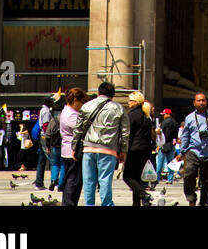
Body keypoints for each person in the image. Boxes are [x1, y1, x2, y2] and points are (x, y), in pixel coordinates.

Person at [73, 80, 128, 208]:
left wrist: (74, 147)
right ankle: (107, 204)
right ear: (112, 95)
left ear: (98, 93)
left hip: (88, 148)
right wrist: (123, 150)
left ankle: (89, 204)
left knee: (88, 181)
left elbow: (78, 129)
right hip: (108, 150)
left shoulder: (86, 106)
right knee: (105, 181)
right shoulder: (119, 108)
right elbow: (125, 133)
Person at [123, 92, 156, 206]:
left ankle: (143, 194)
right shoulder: (146, 115)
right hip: (144, 150)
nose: (128, 103)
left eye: (130, 101)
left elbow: (128, 134)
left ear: (135, 102)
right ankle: (136, 203)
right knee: (136, 178)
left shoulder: (132, 115)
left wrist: (123, 149)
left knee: (127, 176)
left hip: (134, 149)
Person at [60, 87, 86, 206]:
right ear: (75, 100)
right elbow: (81, 129)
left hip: (69, 150)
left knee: (73, 181)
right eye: (81, 102)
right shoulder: (70, 115)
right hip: (72, 152)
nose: (82, 105)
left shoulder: (70, 112)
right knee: (73, 181)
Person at [44, 98, 65, 191]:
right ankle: (61, 184)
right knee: (63, 165)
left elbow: (47, 135)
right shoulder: (65, 119)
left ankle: (53, 180)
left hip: (54, 146)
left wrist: (48, 146)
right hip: (64, 145)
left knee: (55, 164)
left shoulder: (53, 120)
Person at [33, 96, 53, 189]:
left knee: (41, 161)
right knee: (52, 160)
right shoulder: (46, 111)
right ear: (48, 103)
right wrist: (49, 138)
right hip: (45, 137)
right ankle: (54, 182)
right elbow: (46, 125)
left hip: (42, 136)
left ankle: (39, 182)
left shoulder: (42, 110)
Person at [156, 108, 178, 183]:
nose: (163, 116)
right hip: (171, 144)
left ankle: (157, 178)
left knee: (160, 162)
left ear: (168, 114)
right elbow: (176, 135)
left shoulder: (164, 123)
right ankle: (170, 178)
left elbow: (161, 134)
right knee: (170, 162)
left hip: (163, 144)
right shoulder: (175, 123)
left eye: (164, 114)